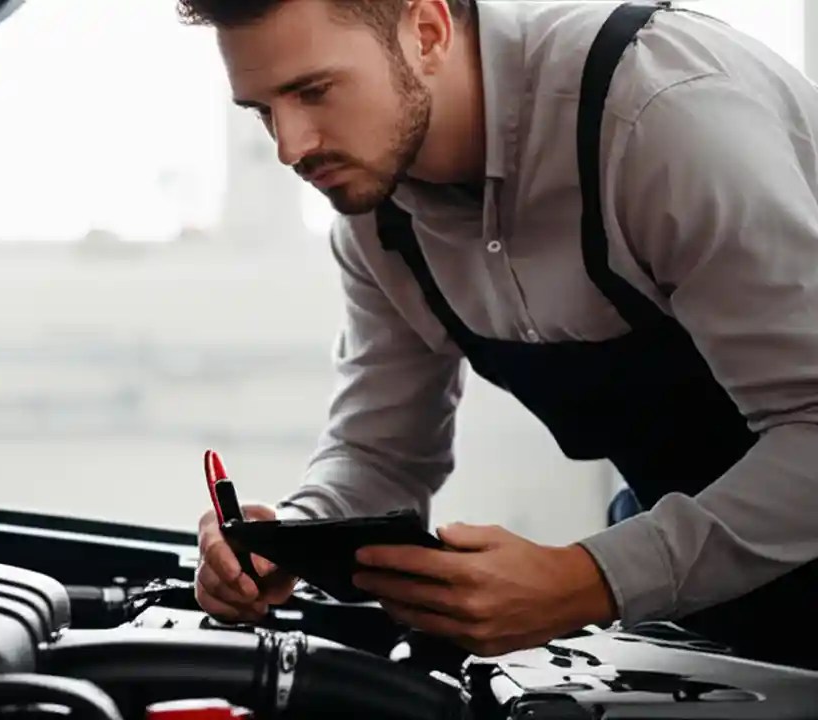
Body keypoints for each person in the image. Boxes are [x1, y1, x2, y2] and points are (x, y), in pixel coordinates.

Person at [180, 0, 818, 669]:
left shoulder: (659, 118)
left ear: (427, 30)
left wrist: (589, 579)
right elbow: (381, 454)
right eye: (260, 110)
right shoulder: (376, 214)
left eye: (313, 91)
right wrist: (293, 536)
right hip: (711, 596)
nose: (290, 146)